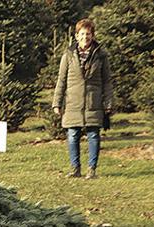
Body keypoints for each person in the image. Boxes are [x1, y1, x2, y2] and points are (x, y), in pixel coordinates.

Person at [53, 18, 113, 179]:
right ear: (76, 36)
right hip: (73, 103)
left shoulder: (101, 55)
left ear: (92, 35)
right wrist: (57, 103)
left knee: (93, 135)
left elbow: (107, 81)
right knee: (72, 135)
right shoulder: (68, 55)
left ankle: (91, 169)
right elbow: (61, 80)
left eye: (88, 34)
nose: (85, 37)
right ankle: (75, 169)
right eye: (82, 34)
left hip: (94, 102)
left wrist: (108, 103)